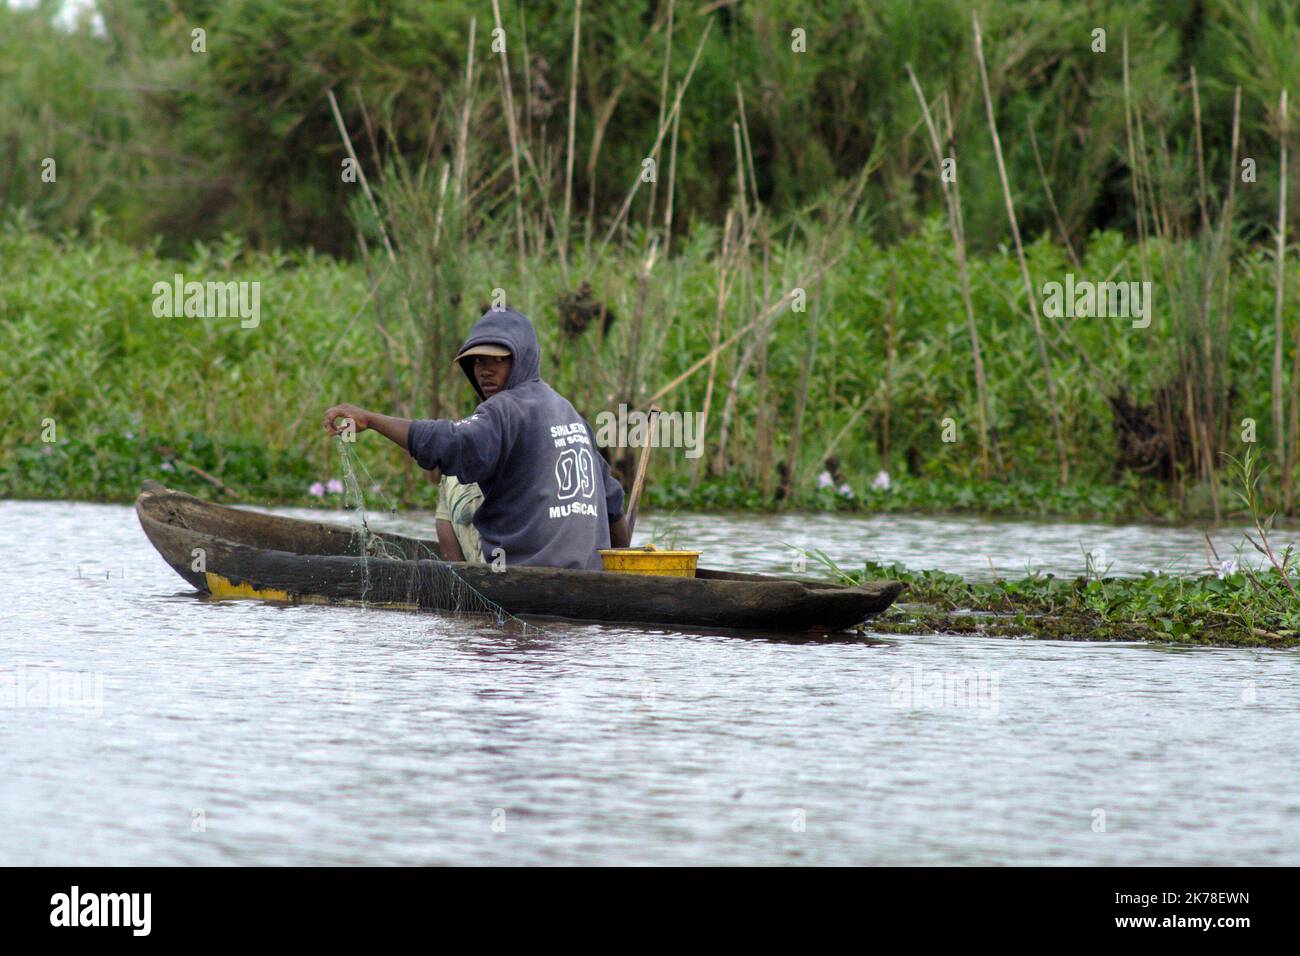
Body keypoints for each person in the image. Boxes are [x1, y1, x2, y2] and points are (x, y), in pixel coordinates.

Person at [324, 308, 631, 570]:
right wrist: (620, 570)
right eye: (479, 362)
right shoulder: (569, 412)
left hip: (528, 574)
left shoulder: (504, 409)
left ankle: (462, 586)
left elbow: (449, 444)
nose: (485, 371)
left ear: (522, 359)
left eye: (498, 361)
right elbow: (613, 507)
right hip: (588, 574)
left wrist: (372, 419)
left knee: (451, 485)